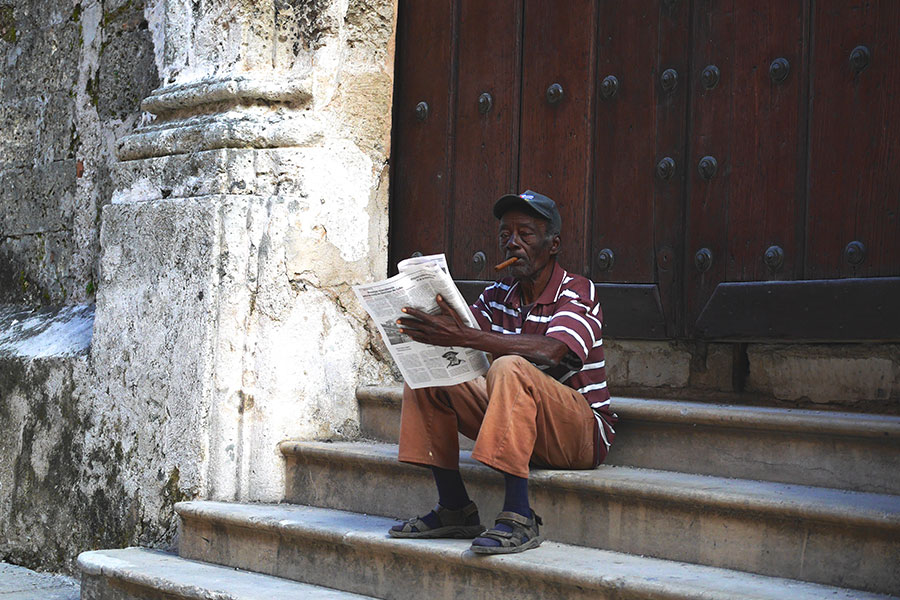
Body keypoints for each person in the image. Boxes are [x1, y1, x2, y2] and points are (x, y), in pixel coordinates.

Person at [389, 190, 616, 554]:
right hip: (523, 427)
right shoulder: (498, 294)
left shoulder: (577, 290)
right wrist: (434, 324)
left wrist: (464, 334)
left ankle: (519, 516)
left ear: (552, 244)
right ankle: (454, 508)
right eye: (505, 236)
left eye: (525, 235)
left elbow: (554, 351)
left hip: (580, 435)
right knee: (429, 372)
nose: (512, 244)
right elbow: (464, 343)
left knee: (511, 366)